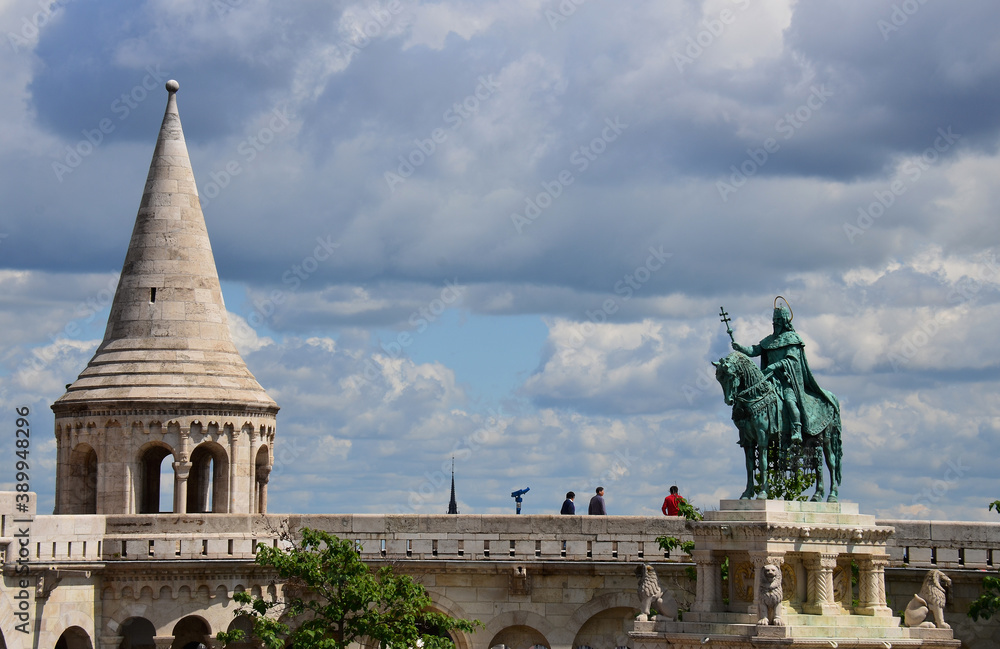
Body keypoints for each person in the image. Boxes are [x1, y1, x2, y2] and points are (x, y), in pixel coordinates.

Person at [732, 303, 839, 445]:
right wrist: (741, 348)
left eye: (778, 321)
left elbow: (792, 360)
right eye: (774, 320)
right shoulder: (769, 340)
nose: (775, 323)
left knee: (789, 401)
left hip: (787, 381)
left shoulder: (792, 339)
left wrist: (774, 366)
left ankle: (796, 430)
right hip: (769, 380)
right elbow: (755, 350)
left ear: (784, 321)